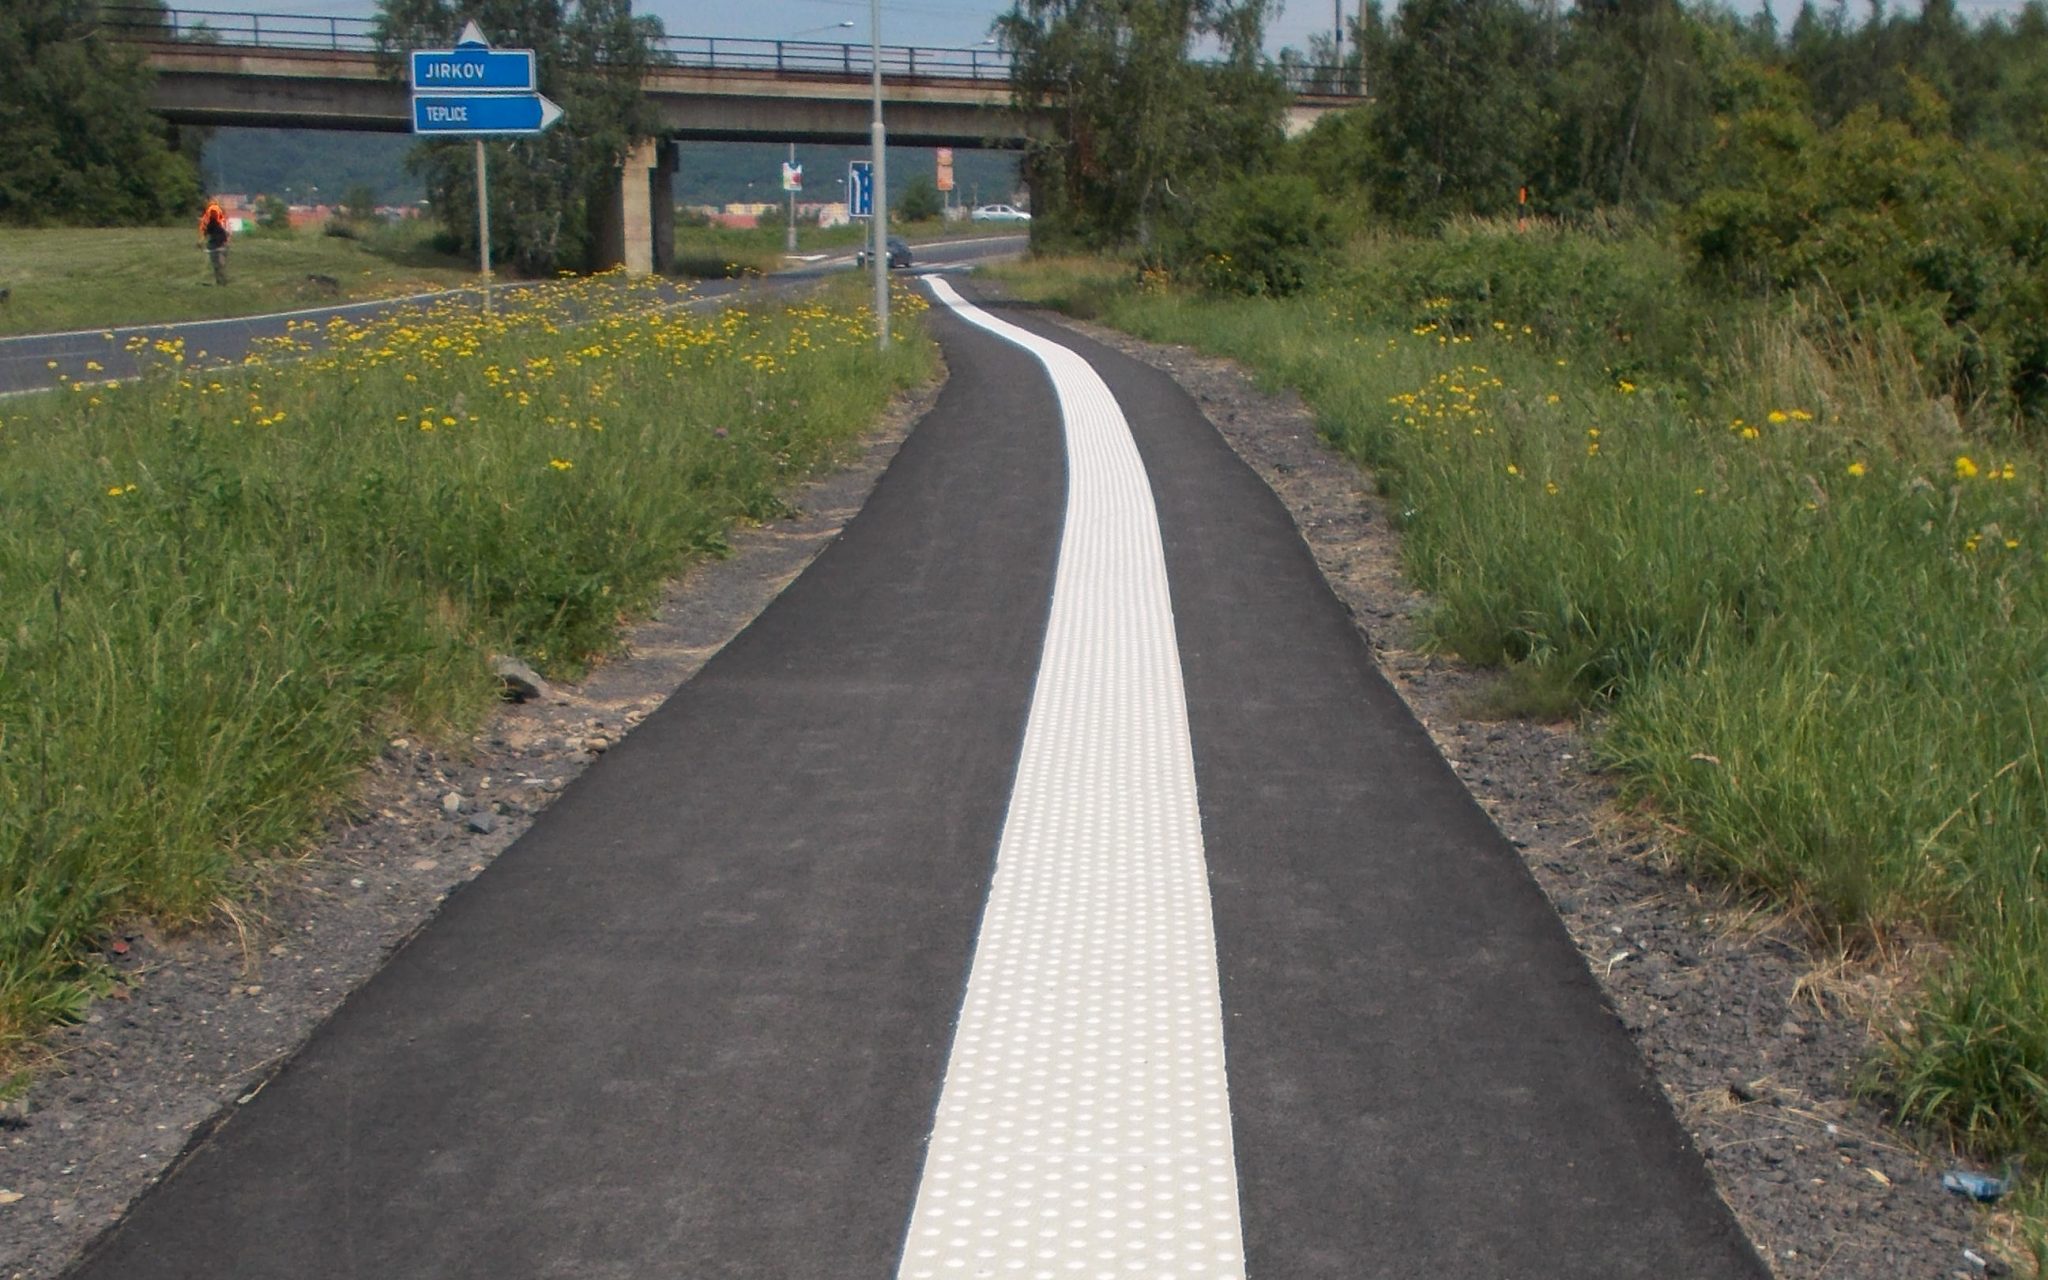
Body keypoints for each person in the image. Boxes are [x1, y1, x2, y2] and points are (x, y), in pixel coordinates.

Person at [198, 198, 231, 285]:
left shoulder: (218, 220)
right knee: (217, 264)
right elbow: (206, 232)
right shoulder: (211, 221)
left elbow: (227, 231)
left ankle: (222, 281)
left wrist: (226, 241)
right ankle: (219, 281)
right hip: (214, 243)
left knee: (220, 263)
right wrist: (201, 241)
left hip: (221, 243)